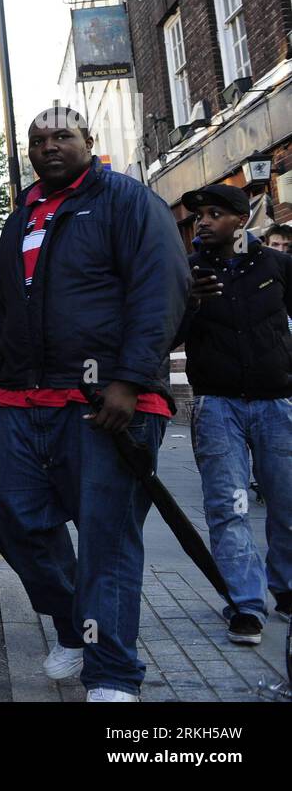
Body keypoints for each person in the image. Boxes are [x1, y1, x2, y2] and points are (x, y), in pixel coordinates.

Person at [0, 108, 189, 703]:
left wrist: (130, 380)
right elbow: (1, 315)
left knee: (106, 540)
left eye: (62, 136)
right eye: (38, 141)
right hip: (19, 398)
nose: (49, 147)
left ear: (89, 142)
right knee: (7, 516)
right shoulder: (21, 218)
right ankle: (72, 627)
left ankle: (112, 673)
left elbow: (161, 286)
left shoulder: (127, 201)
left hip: (103, 400)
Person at [179, 185, 292, 637]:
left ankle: (285, 590)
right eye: (198, 216)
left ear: (240, 221)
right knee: (229, 505)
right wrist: (190, 304)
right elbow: (164, 336)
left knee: (286, 502)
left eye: (212, 214)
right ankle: (246, 604)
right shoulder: (187, 273)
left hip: (276, 404)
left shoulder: (278, 266)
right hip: (217, 405)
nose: (202, 222)